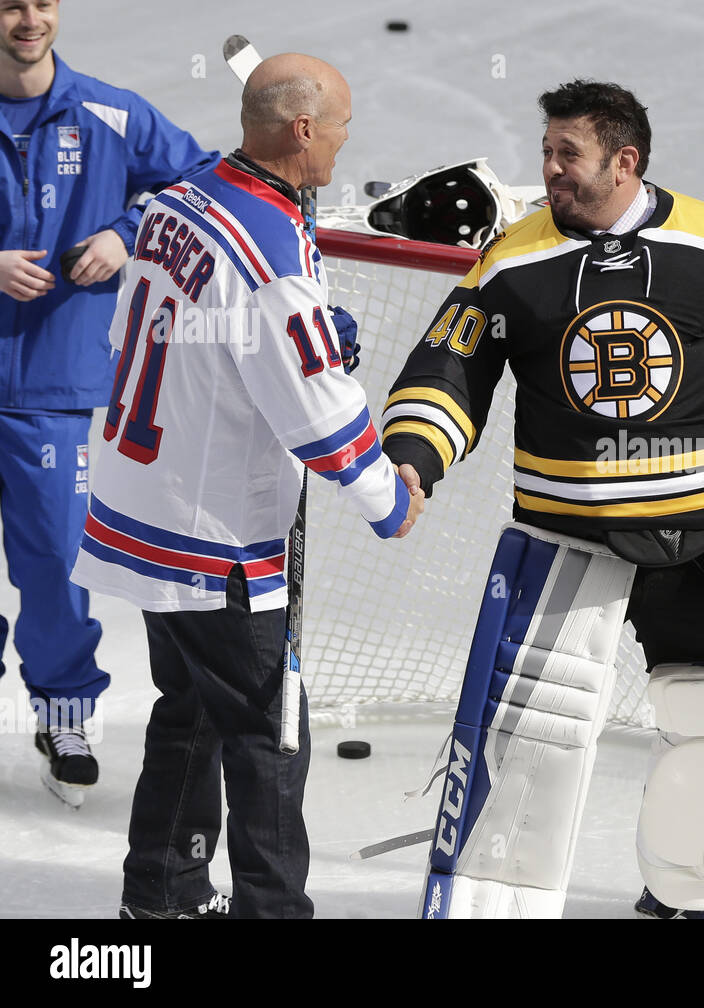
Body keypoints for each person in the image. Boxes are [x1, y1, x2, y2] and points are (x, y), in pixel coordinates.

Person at [382, 80, 704, 918]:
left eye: (569, 155)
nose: (550, 169)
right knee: (525, 746)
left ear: (624, 162)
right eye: (547, 151)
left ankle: (691, 891)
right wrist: (414, 455)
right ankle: (491, 907)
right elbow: (451, 366)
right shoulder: (513, 258)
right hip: (568, 539)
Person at [70, 53, 425, 919]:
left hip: (138, 509)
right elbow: (317, 416)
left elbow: (153, 326)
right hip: (211, 541)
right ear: (302, 131)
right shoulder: (268, 254)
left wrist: (302, 331)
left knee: (188, 710)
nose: (346, 141)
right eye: (339, 125)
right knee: (270, 736)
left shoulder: (183, 196)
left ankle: (161, 895)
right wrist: (387, 497)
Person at [0, 0, 219, 801]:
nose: (29, 20)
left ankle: (65, 713)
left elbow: (205, 175)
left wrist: (126, 233)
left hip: (56, 388)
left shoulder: (109, 112)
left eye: (42, 3)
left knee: (56, 566)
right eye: (12, 5)